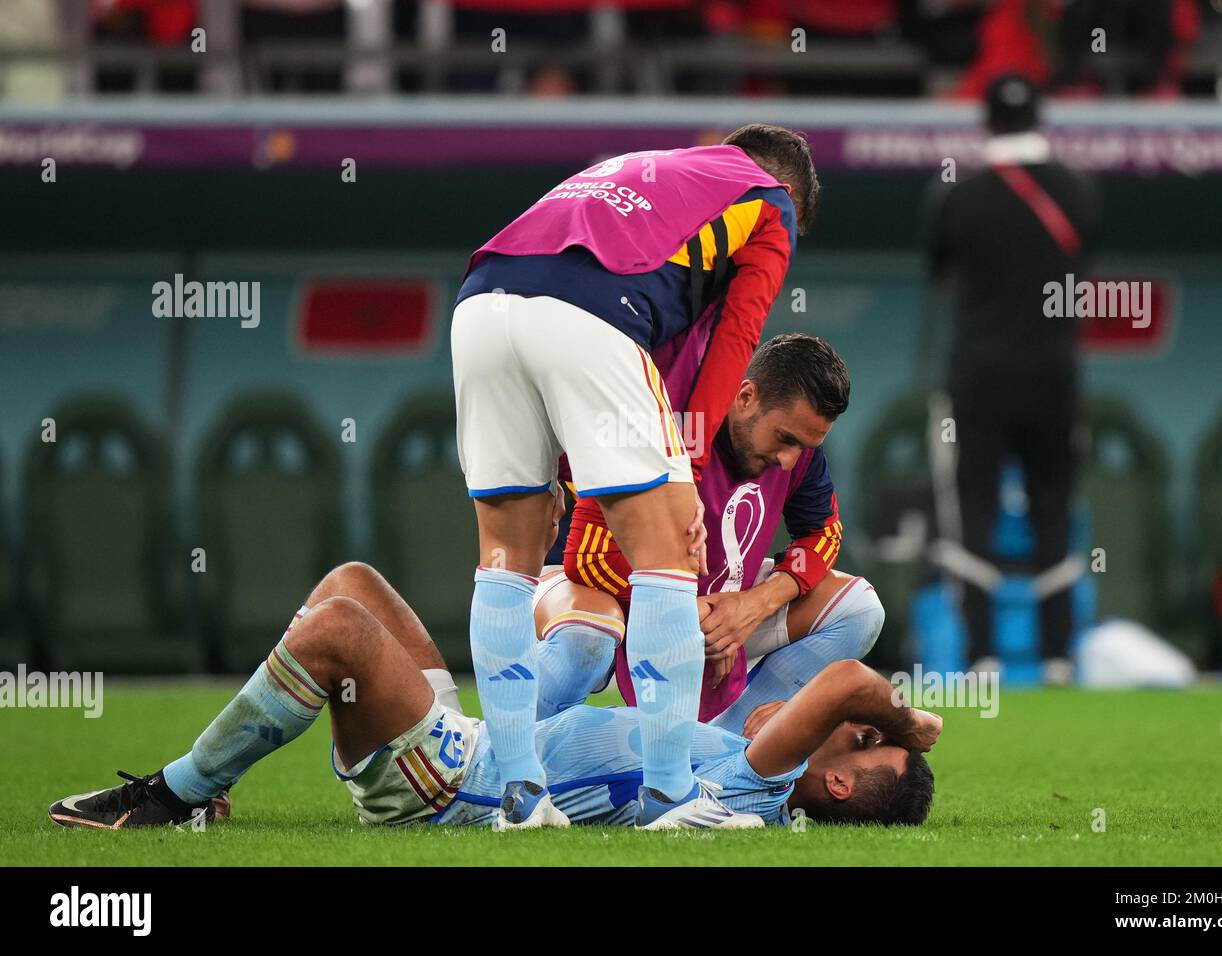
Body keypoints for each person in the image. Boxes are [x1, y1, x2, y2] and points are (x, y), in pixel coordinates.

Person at [451, 124, 818, 827]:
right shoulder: (772, 203)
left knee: (504, 562)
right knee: (670, 556)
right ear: (793, 193)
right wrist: (694, 473)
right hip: (593, 315)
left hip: (480, 302)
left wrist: (561, 467)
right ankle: (672, 795)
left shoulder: (642, 167)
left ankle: (519, 796)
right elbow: (734, 340)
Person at [48, 563, 937, 831]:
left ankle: (173, 794)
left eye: (860, 744)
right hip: (474, 741)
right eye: (870, 732)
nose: (857, 727)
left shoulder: (759, 790)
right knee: (350, 581)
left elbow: (853, 682)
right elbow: (844, 694)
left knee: (339, 633)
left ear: (842, 784)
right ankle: (217, 787)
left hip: (455, 789)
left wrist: (905, 723)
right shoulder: (749, 774)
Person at [532, 333, 885, 726]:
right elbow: (589, 558)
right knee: (587, 634)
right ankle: (513, 763)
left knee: (860, 609)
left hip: (716, 608)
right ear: (746, 396)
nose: (788, 461)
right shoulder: (664, 419)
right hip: (595, 593)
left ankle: (723, 751)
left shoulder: (798, 452)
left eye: (803, 446)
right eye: (784, 438)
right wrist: (683, 606)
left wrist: (756, 604)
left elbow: (823, 533)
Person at [925, 74, 1097, 684]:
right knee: (1053, 508)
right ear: (1039, 119)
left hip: (980, 379)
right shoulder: (1076, 190)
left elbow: (941, 277)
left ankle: (982, 659)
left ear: (987, 123)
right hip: (1054, 377)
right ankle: (1058, 657)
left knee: (976, 510)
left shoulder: (958, 196)